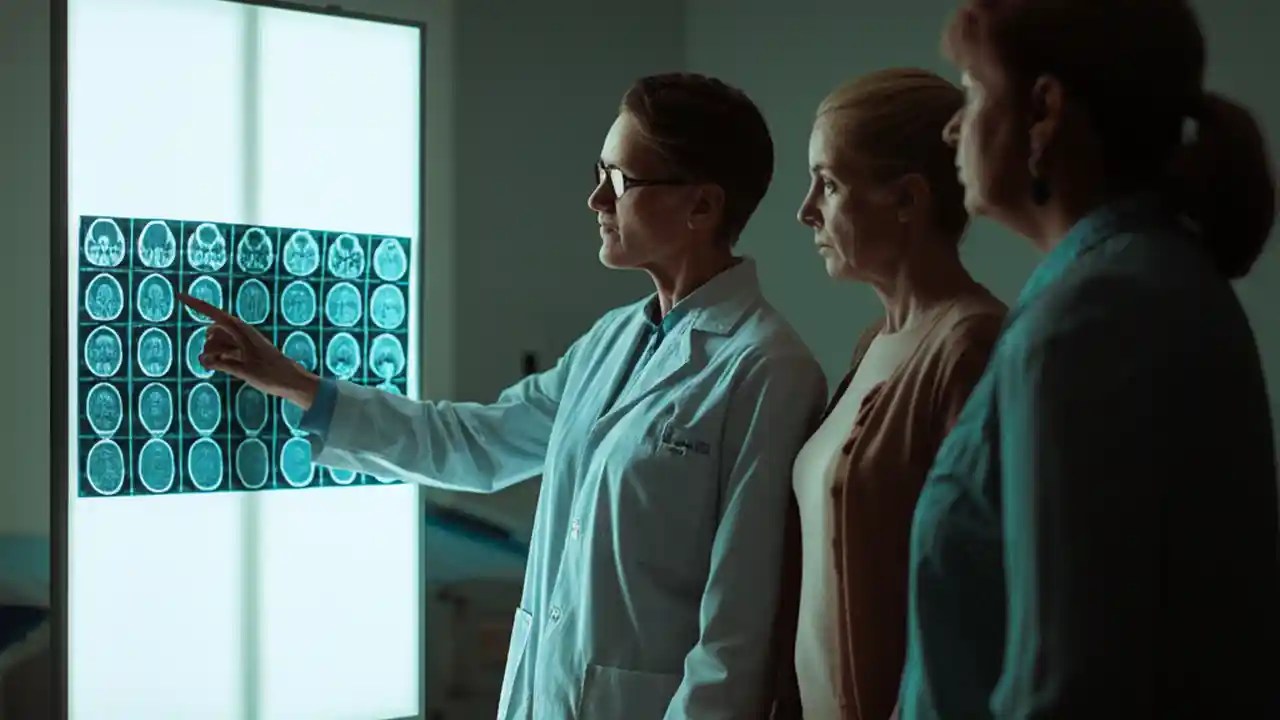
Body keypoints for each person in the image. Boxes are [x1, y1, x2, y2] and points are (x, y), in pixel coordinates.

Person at [180, 72, 827, 719]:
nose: (596, 199)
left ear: (702, 206)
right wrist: (296, 384)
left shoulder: (767, 370)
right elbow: (479, 441)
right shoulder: (611, 342)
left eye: (620, 181)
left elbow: (736, 639)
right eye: (598, 174)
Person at [899, 1, 1280, 718]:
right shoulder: (1153, 278)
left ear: (1043, 111)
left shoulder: (1086, 321)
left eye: (973, 91)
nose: (953, 127)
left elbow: (1067, 688)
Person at [777, 69, 1006, 720]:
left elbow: (981, 589)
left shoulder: (971, 347)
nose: (805, 211)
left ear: (907, 199)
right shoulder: (873, 343)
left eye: (829, 184)